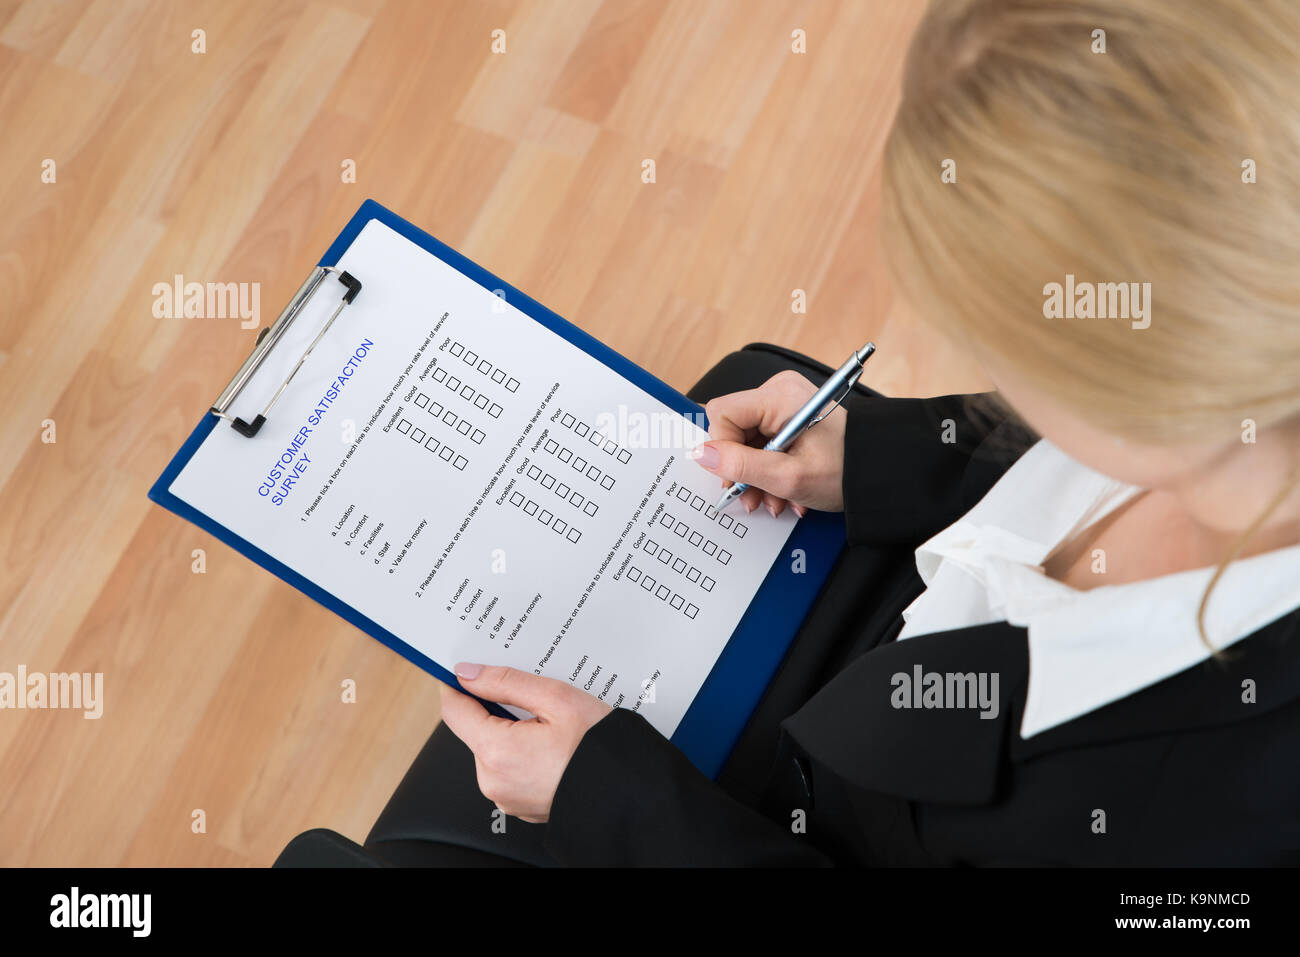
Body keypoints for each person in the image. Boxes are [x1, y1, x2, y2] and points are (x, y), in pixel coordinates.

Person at [288, 0, 1300, 866]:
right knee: (729, 406)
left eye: (1008, 355)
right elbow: (1054, 464)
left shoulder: (1212, 814)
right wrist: (874, 460)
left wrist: (616, 804)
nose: (1000, 388)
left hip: (831, 825)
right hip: (905, 660)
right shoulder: (1233, 386)